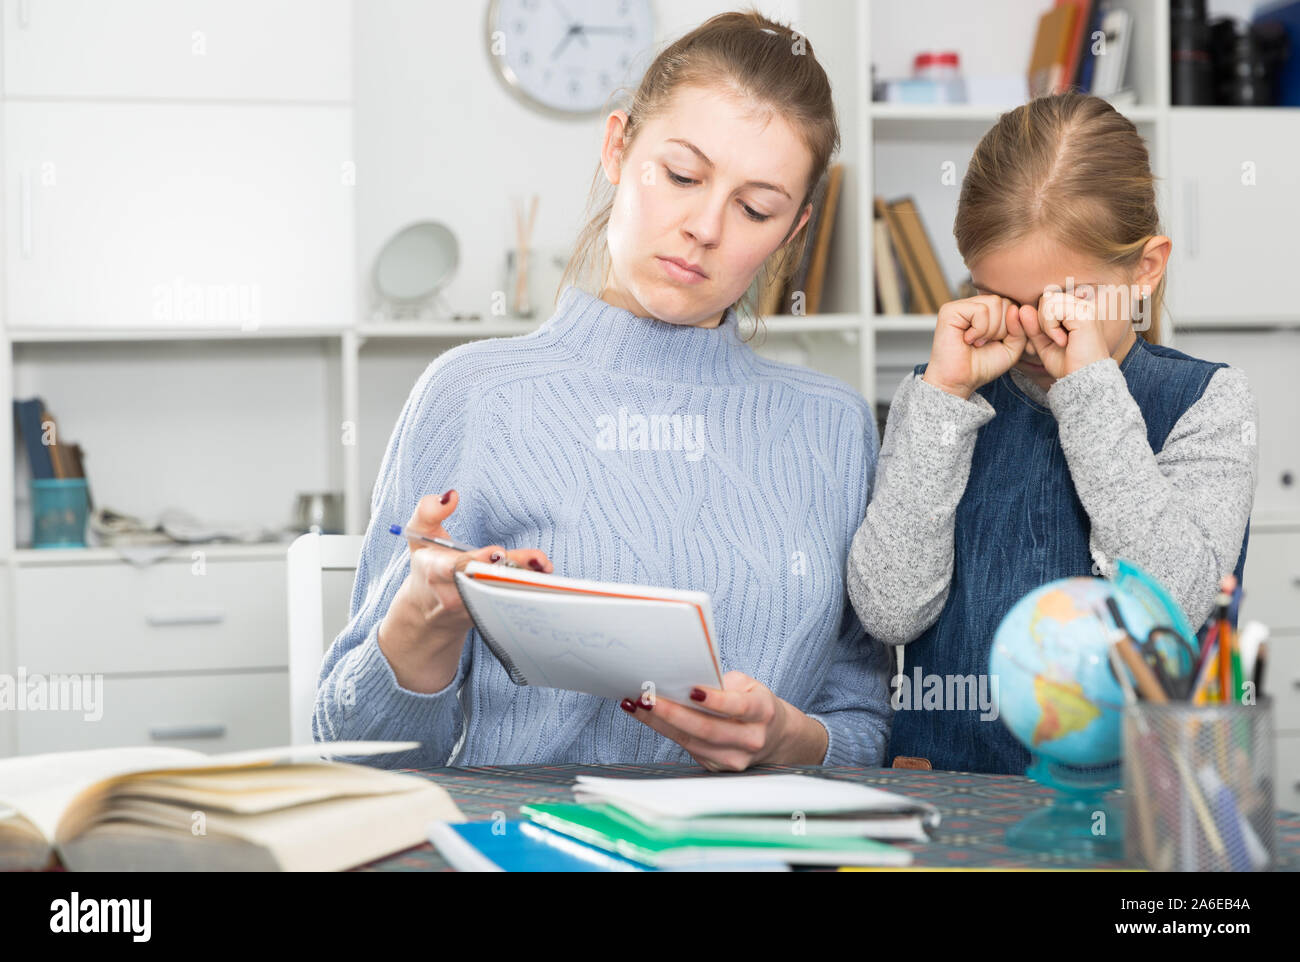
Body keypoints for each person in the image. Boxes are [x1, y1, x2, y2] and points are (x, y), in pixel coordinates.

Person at [314, 10, 892, 771]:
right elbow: (354, 752)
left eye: (756, 208)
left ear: (794, 230)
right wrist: (421, 625)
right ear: (618, 147)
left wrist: (790, 739)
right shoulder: (475, 395)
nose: (705, 227)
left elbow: (864, 724)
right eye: (682, 176)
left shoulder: (837, 427)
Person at [847, 92, 1258, 775]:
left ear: (1144, 270)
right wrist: (943, 400)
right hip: (949, 805)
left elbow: (1175, 609)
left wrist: (1091, 391)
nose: (1034, 329)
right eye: (1002, 298)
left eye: (1064, 302)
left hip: (1130, 817)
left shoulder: (1207, 402)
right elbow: (889, 610)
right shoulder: (938, 396)